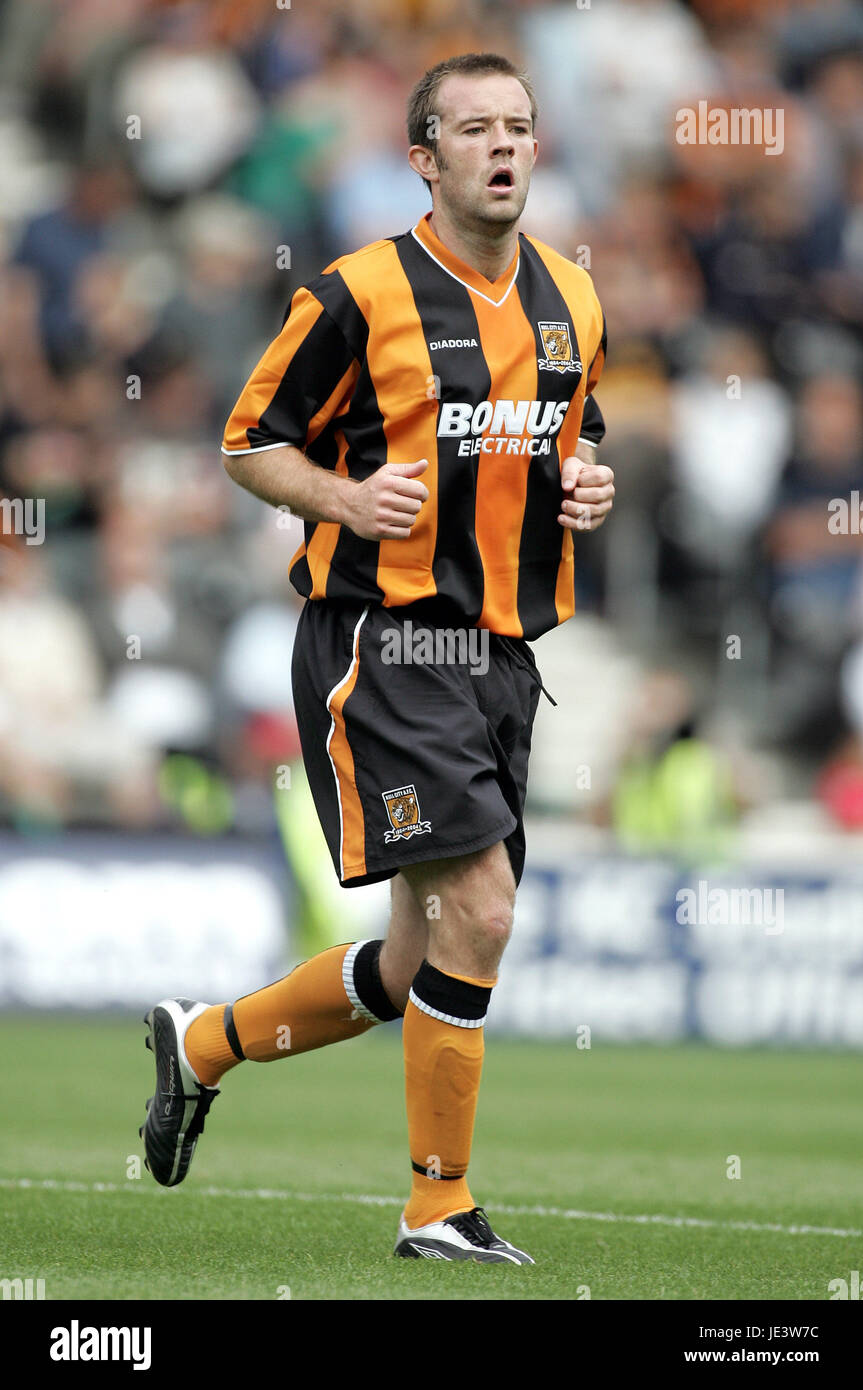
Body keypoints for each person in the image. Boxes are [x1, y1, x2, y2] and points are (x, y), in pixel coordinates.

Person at [140, 51, 613, 1265]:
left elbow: (571, 432)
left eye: (519, 126)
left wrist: (588, 484)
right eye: (474, 129)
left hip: (503, 656)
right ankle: (436, 1209)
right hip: (384, 645)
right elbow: (249, 444)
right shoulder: (359, 293)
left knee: (415, 963)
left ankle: (200, 1045)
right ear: (425, 157)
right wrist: (347, 500)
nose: (502, 146)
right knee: (485, 913)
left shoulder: (572, 297)